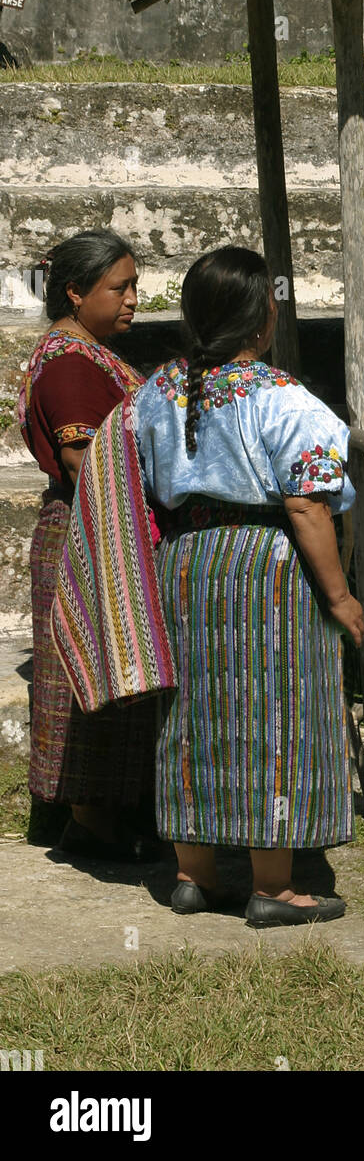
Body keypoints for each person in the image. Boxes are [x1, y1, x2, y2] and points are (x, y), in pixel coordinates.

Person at [132, 246, 364, 926]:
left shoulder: (156, 390)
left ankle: (192, 876)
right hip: (266, 565)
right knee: (278, 714)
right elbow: (305, 505)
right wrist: (340, 597)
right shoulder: (283, 398)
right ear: (260, 315)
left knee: (191, 713)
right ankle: (274, 887)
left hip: (185, 562)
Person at [18, 229, 160, 859]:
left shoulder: (92, 354)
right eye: (118, 287)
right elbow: (83, 464)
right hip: (89, 532)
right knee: (95, 672)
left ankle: (106, 817)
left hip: (102, 527)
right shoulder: (70, 364)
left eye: (133, 285)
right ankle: (92, 823)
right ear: (76, 293)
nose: (133, 299)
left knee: (110, 671)